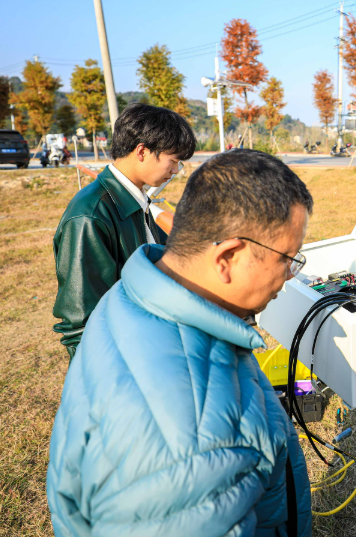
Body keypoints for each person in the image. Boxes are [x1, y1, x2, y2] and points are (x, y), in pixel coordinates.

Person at [47, 149, 314, 536]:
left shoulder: (133, 294)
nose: (290, 274)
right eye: (287, 258)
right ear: (227, 257)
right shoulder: (195, 443)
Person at [51, 103, 196, 358]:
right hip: (122, 359)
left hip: (145, 344)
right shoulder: (90, 216)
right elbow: (82, 324)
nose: (176, 171)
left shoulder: (134, 199)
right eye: (173, 161)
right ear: (142, 151)